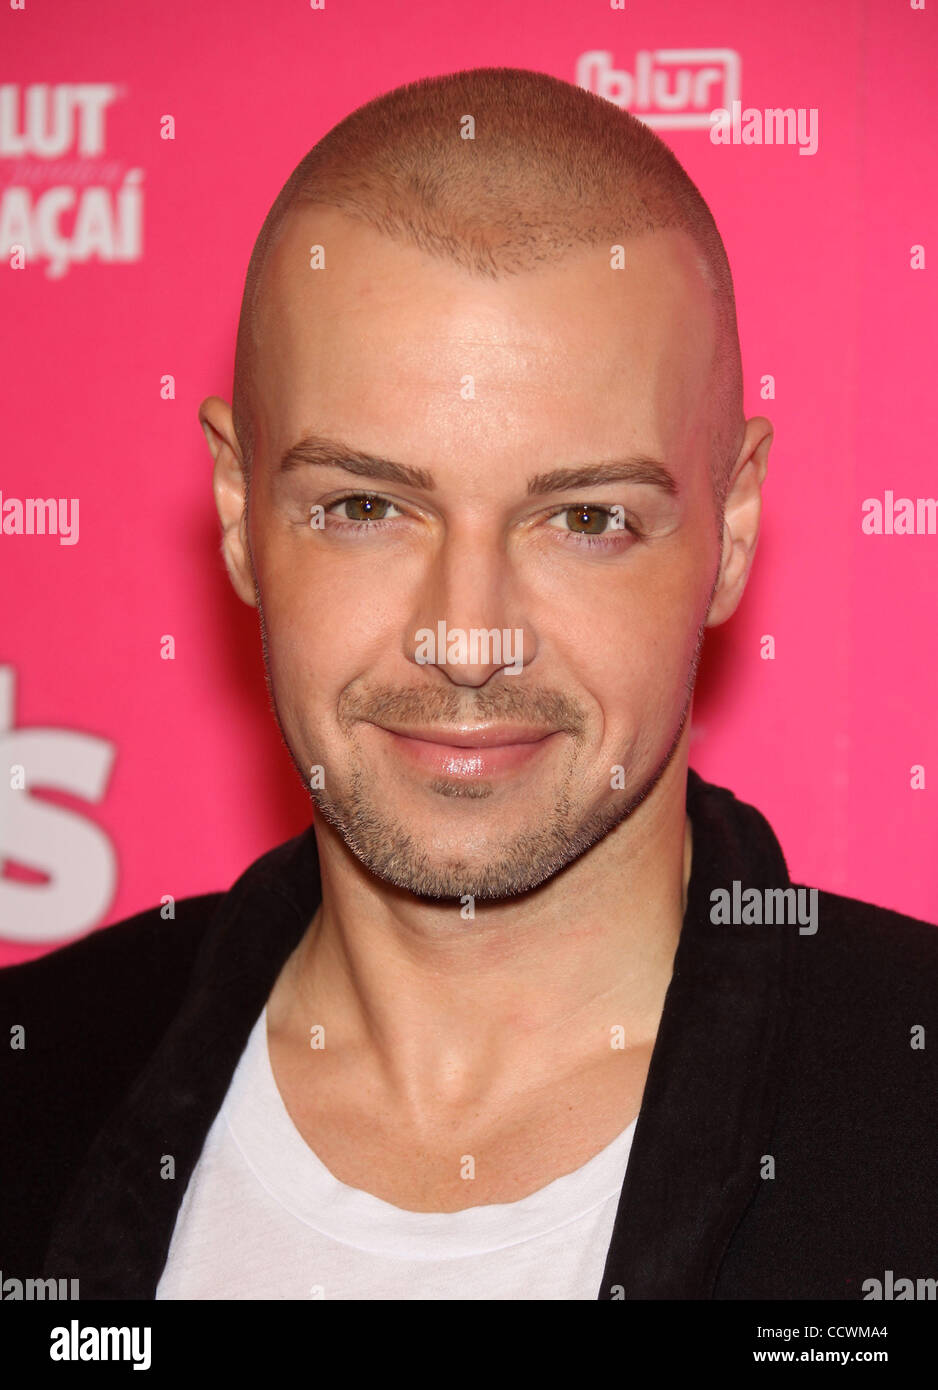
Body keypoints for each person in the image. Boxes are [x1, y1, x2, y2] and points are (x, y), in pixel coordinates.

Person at [2, 66, 936, 1302]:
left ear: (731, 528)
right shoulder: (33, 1089)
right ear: (236, 508)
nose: (467, 636)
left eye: (586, 518)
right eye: (365, 507)